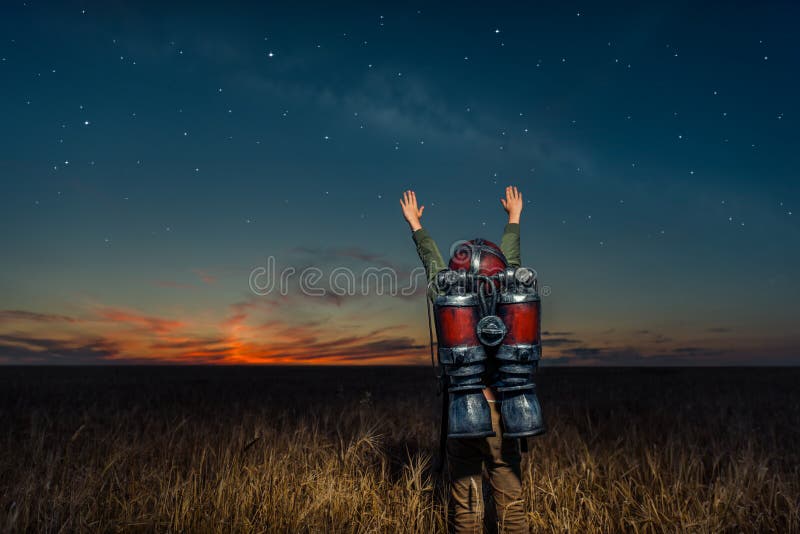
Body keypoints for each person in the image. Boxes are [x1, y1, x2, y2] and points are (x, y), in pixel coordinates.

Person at [400, 186, 529, 533]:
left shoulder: (447, 297)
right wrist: (514, 218)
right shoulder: (509, 294)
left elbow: (433, 264)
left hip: (464, 411)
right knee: (512, 506)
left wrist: (416, 224)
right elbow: (512, 262)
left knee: (466, 508)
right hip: (505, 409)